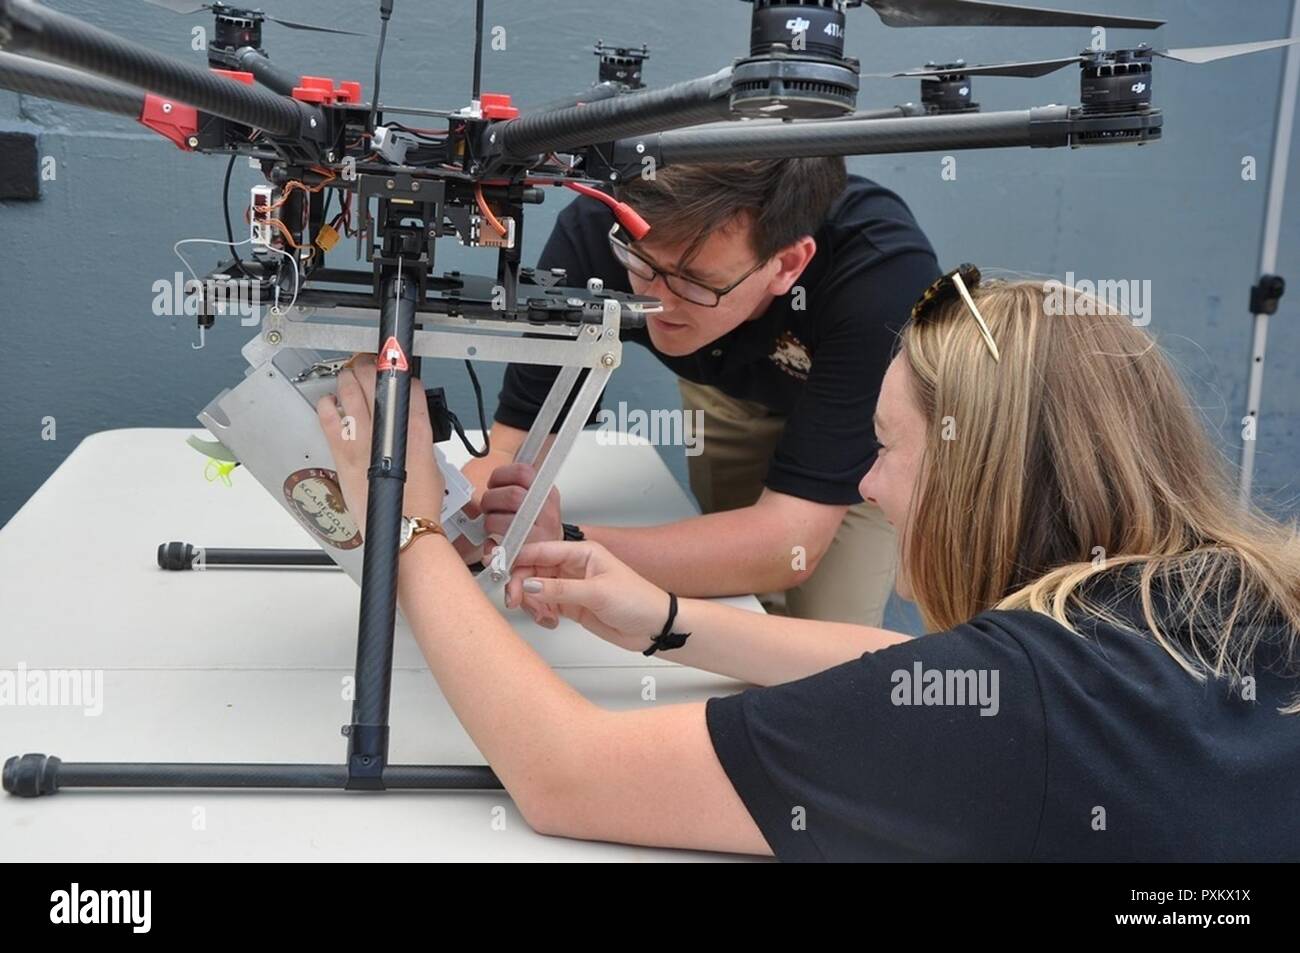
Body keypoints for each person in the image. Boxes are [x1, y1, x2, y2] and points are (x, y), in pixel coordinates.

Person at [318, 270, 1300, 861]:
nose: (868, 486)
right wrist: (666, 616)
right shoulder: (1228, 596)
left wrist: (405, 532)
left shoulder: (1011, 713)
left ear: (974, 474)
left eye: (886, 446)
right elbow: (912, 672)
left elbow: (565, 772)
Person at [460, 158, 941, 627]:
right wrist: (460, 523)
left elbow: (788, 546)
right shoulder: (602, 225)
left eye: (696, 283)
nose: (658, 301)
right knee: (738, 602)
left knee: (829, 628)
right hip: (733, 395)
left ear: (787, 265)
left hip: (864, 426)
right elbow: (513, 449)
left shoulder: (879, 280)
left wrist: (562, 543)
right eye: (643, 264)